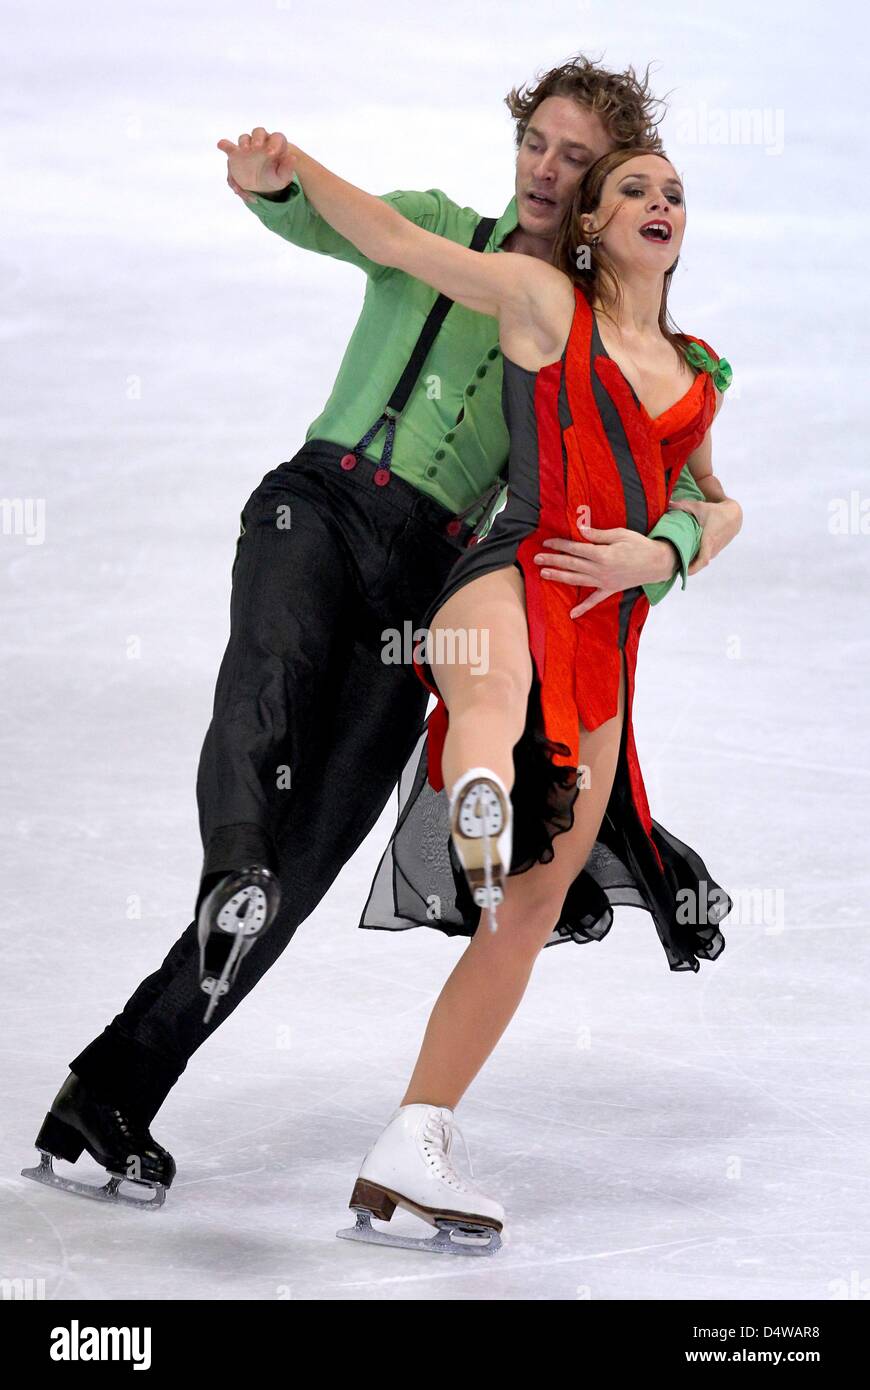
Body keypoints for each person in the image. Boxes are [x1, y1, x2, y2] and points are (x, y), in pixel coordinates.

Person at [23, 58, 741, 1211]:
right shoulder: (444, 230)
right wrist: (281, 176)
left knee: (307, 863)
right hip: (322, 502)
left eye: (575, 157)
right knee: (266, 685)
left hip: (432, 577)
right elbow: (358, 230)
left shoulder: (585, 332)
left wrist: (662, 547)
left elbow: (677, 472)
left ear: (604, 184)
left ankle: (108, 1092)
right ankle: (233, 867)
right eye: (537, 145)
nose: (549, 169)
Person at [266, 140, 739, 1254]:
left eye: (672, 191)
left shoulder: (697, 371)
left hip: (607, 639)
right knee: (491, 702)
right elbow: (395, 241)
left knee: (529, 911)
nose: (658, 201)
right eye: (633, 188)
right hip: (508, 575)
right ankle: (477, 809)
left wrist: (659, 554)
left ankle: (413, 1140)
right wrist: (293, 167)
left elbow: (719, 504)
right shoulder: (541, 298)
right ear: (592, 222)